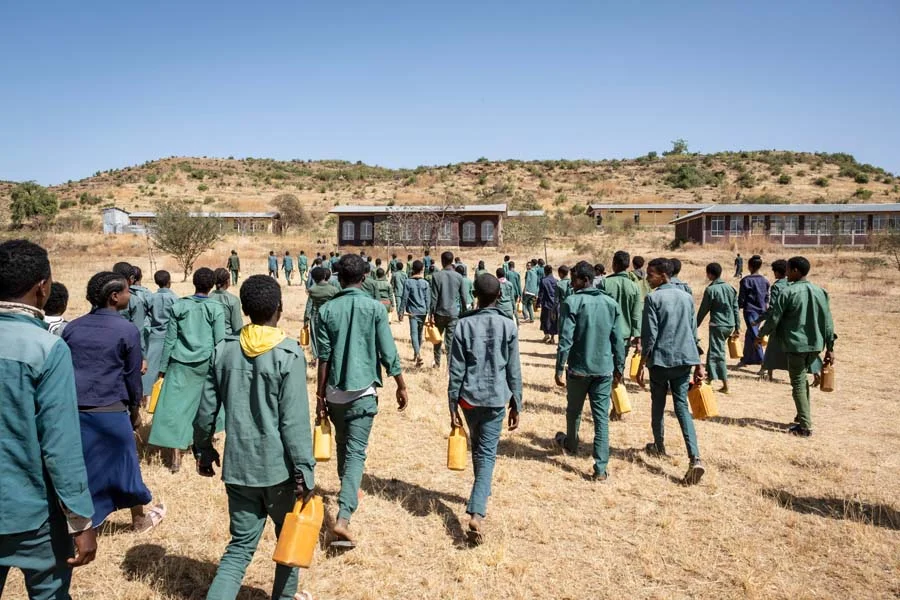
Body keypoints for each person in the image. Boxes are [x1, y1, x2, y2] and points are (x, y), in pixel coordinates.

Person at [194, 275, 316, 600]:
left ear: (244, 310)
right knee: (288, 541)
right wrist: (305, 469)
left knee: (239, 548)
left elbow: (206, 410)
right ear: (280, 308)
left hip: (238, 468)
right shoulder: (289, 354)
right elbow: (294, 423)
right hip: (279, 472)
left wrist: (203, 448)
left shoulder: (223, 350)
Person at [0, 240, 97, 599]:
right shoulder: (47, 348)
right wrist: (81, 520)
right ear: (42, 287)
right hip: (32, 514)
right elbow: (60, 446)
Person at [315, 254, 409, 547]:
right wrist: (401, 384)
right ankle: (343, 517)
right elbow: (388, 351)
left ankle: (348, 488)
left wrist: (319, 396)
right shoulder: (375, 309)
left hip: (334, 393)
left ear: (338, 278)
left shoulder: (326, 311)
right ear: (364, 277)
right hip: (364, 392)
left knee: (343, 444)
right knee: (356, 452)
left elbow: (323, 359)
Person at [63, 272, 166, 533]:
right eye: (127, 292)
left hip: (75, 410)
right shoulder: (127, 330)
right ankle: (139, 521)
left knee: (84, 466)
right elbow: (132, 376)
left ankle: (82, 521)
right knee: (126, 465)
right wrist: (135, 410)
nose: (130, 295)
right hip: (111, 409)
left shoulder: (73, 327)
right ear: (114, 296)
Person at [448, 274, 522, 544]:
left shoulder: (463, 325)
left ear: (474, 295)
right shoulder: (508, 325)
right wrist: (516, 402)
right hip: (495, 399)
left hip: (469, 399)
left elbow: (456, 369)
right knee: (487, 453)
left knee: (479, 448)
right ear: (499, 296)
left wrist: (452, 403)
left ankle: (480, 490)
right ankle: (477, 513)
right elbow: (514, 369)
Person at [553, 262, 625, 481]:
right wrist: (619, 368)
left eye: (574, 280)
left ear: (585, 280)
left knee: (574, 410)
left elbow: (565, 338)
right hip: (603, 369)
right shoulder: (610, 303)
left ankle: (571, 444)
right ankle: (601, 467)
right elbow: (618, 340)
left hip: (578, 369)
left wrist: (559, 367)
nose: (571, 284)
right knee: (601, 418)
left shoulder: (572, 302)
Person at [149, 268, 226, 472]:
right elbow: (220, 342)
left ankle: (176, 455)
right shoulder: (215, 308)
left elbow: (170, 340)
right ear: (211, 286)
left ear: (194, 283)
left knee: (175, 408)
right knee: (204, 408)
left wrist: (162, 369)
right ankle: (200, 449)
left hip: (179, 363)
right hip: (206, 365)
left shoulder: (180, 306)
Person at [636, 258, 705, 485]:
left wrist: (642, 363)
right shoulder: (687, 297)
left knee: (658, 404)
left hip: (661, 361)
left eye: (651, 275)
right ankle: (695, 457)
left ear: (663, 275)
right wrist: (699, 363)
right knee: (682, 407)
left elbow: (650, 335)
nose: (647, 278)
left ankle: (659, 445)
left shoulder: (653, 298)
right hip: (684, 360)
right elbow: (693, 333)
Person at [757, 257, 835, 437]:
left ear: (795, 271)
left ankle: (805, 427)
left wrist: (761, 334)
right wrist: (830, 347)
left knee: (798, 383)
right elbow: (828, 323)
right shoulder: (821, 292)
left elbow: (774, 318)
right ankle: (802, 415)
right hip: (815, 345)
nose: (786, 273)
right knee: (802, 381)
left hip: (796, 345)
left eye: (788, 269)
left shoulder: (788, 292)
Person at [697, 262, 740, 394]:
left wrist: (695, 325)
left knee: (717, 353)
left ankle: (725, 384)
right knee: (713, 351)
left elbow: (703, 309)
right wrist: (737, 327)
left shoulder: (711, 290)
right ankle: (709, 379)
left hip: (718, 325)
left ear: (710, 274)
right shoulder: (731, 288)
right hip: (729, 325)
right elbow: (735, 309)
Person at [428, 251, 467, 369]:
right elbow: (463, 297)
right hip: (453, 313)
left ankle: (437, 363)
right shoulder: (459, 277)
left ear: (442, 261)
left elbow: (434, 297)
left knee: (437, 339)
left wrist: (431, 313)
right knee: (450, 341)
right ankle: (450, 366)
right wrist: (464, 312)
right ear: (452, 261)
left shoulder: (436, 276)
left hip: (439, 312)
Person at [145, 270, 178, 396]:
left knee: (151, 368)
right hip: (170, 336)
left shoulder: (151, 298)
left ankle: (147, 394)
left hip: (154, 336)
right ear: (169, 282)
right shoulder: (175, 298)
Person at [113, 262, 149, 367]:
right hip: (126, 350)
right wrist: (143, 357)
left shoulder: (103, 297)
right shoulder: (134, 300)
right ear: (131, 278)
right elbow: (138, 331)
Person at [738, 255, 769, 368]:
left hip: (750, 311)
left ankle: (763, 362)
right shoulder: (765, 281)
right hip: (762, 311)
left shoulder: (746, 281)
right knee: (750, 334)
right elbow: (767, 298)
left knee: (755, 335)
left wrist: (737, 307)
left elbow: (741, 299)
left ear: (749, 266)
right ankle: (746, 359)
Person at [399, 260, 431, 367]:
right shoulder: (425, 283)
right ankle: (416, 354)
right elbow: (428, 299)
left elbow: (404, 298)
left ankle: (417, 354)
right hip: (423, 312)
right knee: (419, 333)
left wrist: (401, 311)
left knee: (413, 334)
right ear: (422, 270)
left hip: (412, 312)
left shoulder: (408, 282)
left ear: (412, 269)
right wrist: (429, 312)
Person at [304, 267, 338, 368]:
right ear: (325, 276)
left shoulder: (312, 290)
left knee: (315, 339)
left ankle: (315, 358)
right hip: (330, 317)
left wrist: (306, 320)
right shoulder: (333, 290)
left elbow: (309, 305)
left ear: (314, 278)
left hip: (316, 317)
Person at [211, 268, 244, 335]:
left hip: (211, 337)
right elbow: (237, 328)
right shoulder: (233, 300)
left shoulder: (208, 298)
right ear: (227, 281)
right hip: (228, 338)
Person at [538, 265, 558, 344]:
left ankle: (546, 335)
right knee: (553, 320)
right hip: (555, 303)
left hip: (546, 303)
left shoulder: (543, 281)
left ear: (545, 271)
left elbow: (541, 293)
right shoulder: (556, 281)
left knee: (544, 319)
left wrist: (538, 303)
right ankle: (552, 338)